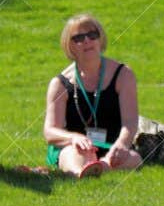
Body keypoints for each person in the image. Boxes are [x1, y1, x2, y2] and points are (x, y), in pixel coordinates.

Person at [43, 14, 142, 178]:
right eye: (79, 38)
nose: (87, 41)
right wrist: (74, 137)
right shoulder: (60, 83)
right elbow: (50, 131)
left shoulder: (123, 74)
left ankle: (100, 167)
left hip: (111, 146)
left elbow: (130, 122)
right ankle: (80, 172)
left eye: (92, 35)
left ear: (100, 39)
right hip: (74, 148)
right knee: (74, 155)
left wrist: (122, 144)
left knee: (134, 158)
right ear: (70, 46)